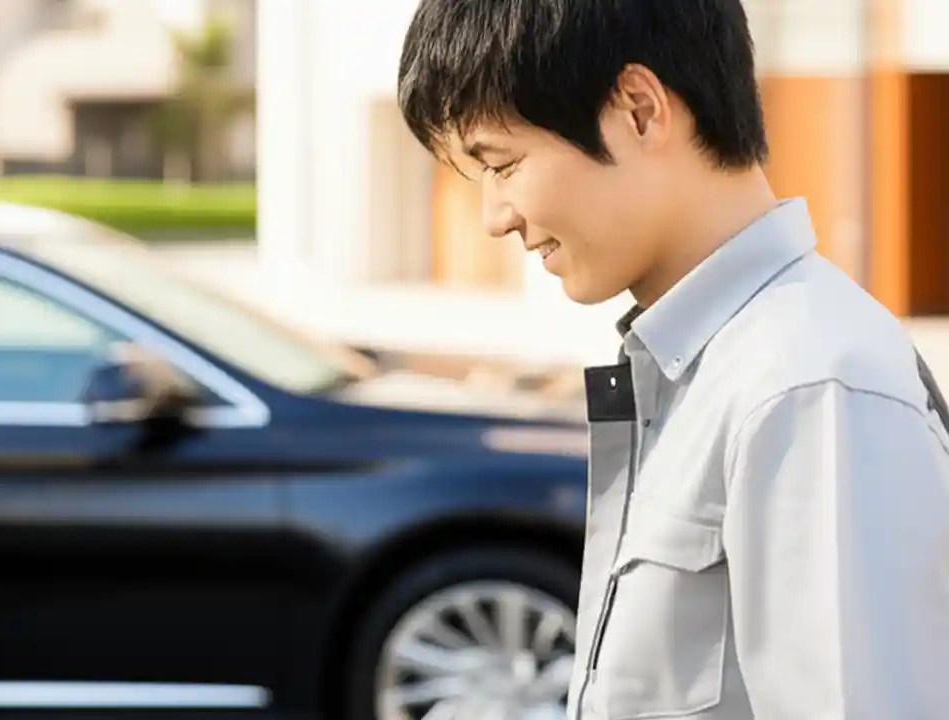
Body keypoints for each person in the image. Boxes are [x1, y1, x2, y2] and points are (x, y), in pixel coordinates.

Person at [396, 1, 949, 718]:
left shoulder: (808, 384)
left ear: (638, 108)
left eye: (502, 163)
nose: (495, 215)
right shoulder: (706, 366)